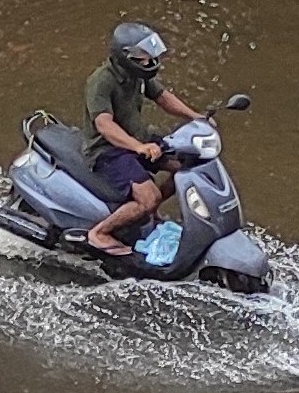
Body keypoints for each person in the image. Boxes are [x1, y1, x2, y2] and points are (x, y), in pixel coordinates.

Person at [79, 20, 205, 259]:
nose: (149, 61)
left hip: (139, 141)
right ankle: (100, 233)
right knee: (149, 197)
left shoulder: (137, 75)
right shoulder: (101, 81)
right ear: (126, 56)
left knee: (186, 168)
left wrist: (195, 117)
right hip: (108, 150)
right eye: (143, 57)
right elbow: (104, 125)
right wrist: (139, 147)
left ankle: (146, 216)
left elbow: (162, 97)